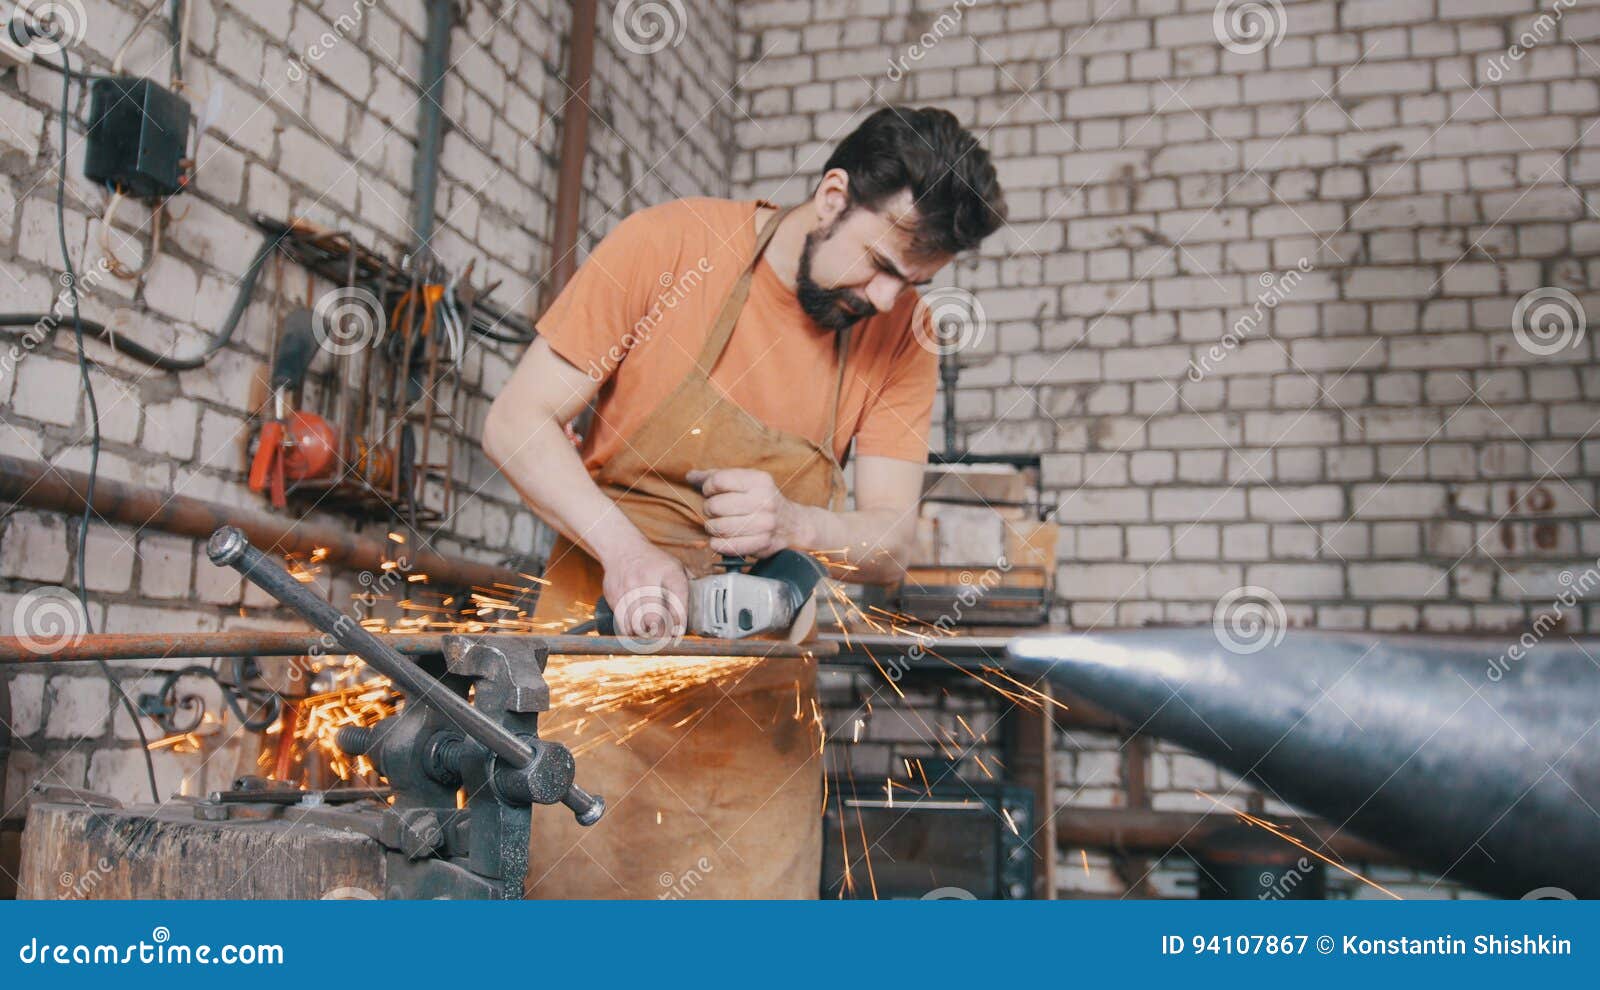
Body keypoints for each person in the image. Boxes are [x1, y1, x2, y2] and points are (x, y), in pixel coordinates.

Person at [483, 106, 1007, 898]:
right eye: (878, 264)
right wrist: (626, 551)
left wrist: (797, 524)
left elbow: (892, 541)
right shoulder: (672, 246)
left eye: (914, 282)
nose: (887, 300)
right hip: (603, 667)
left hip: (758, 712)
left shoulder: (905, 337)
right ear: (833, 196)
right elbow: (517, 422)